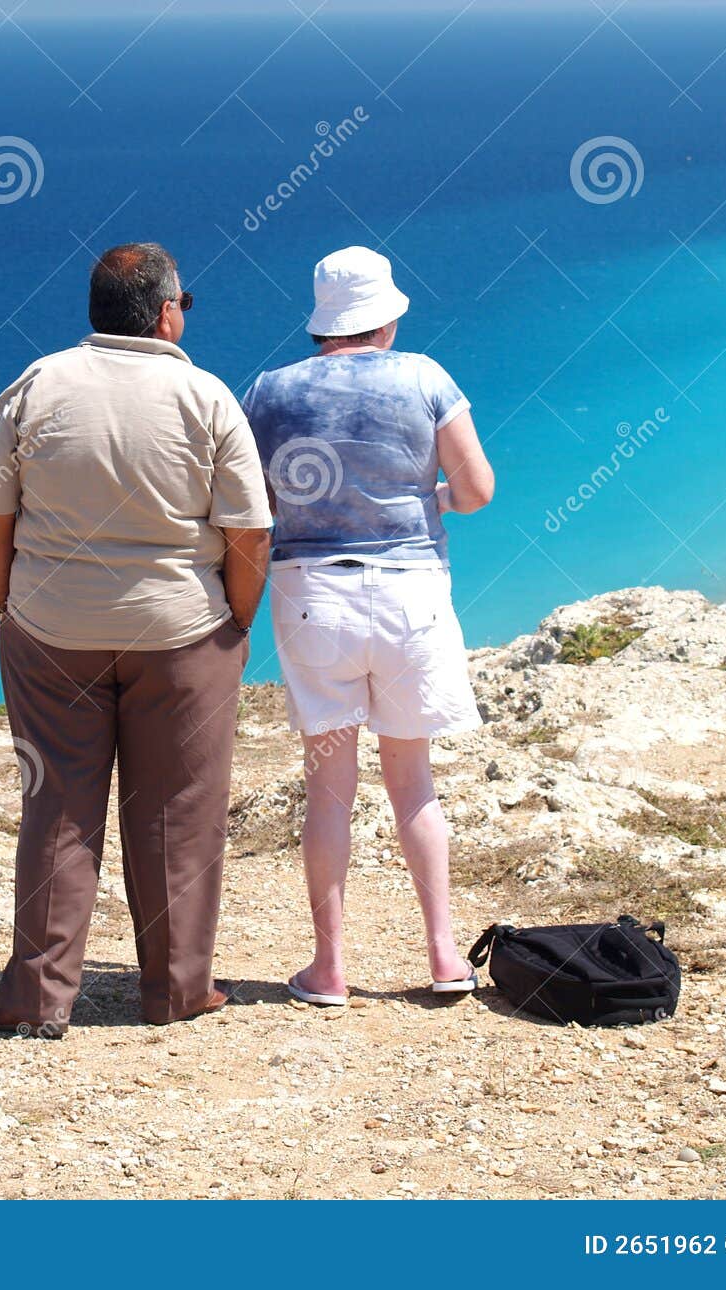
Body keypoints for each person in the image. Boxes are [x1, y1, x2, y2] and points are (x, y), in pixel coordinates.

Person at [0, 243, 272, 1036]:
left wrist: (7, 604)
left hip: (51, 626)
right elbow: (249, 532)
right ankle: (176, 991)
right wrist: (236, 622)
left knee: (57, 806)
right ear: (167, 311)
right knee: (180, 809)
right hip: (181, 631)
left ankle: (37, 998)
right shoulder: (205, 397)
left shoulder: (33, 386)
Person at [241, 246, 494, 1006]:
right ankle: (446, 956)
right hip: (410, 591)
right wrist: (426, 503)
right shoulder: (425, 377)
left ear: (324, 321)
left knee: (330, 792)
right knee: (413, 786)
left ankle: (329, 967)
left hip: (311, 592)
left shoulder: (269, 390)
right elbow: (477, 489)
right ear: (385, 319)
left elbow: (251, 507)